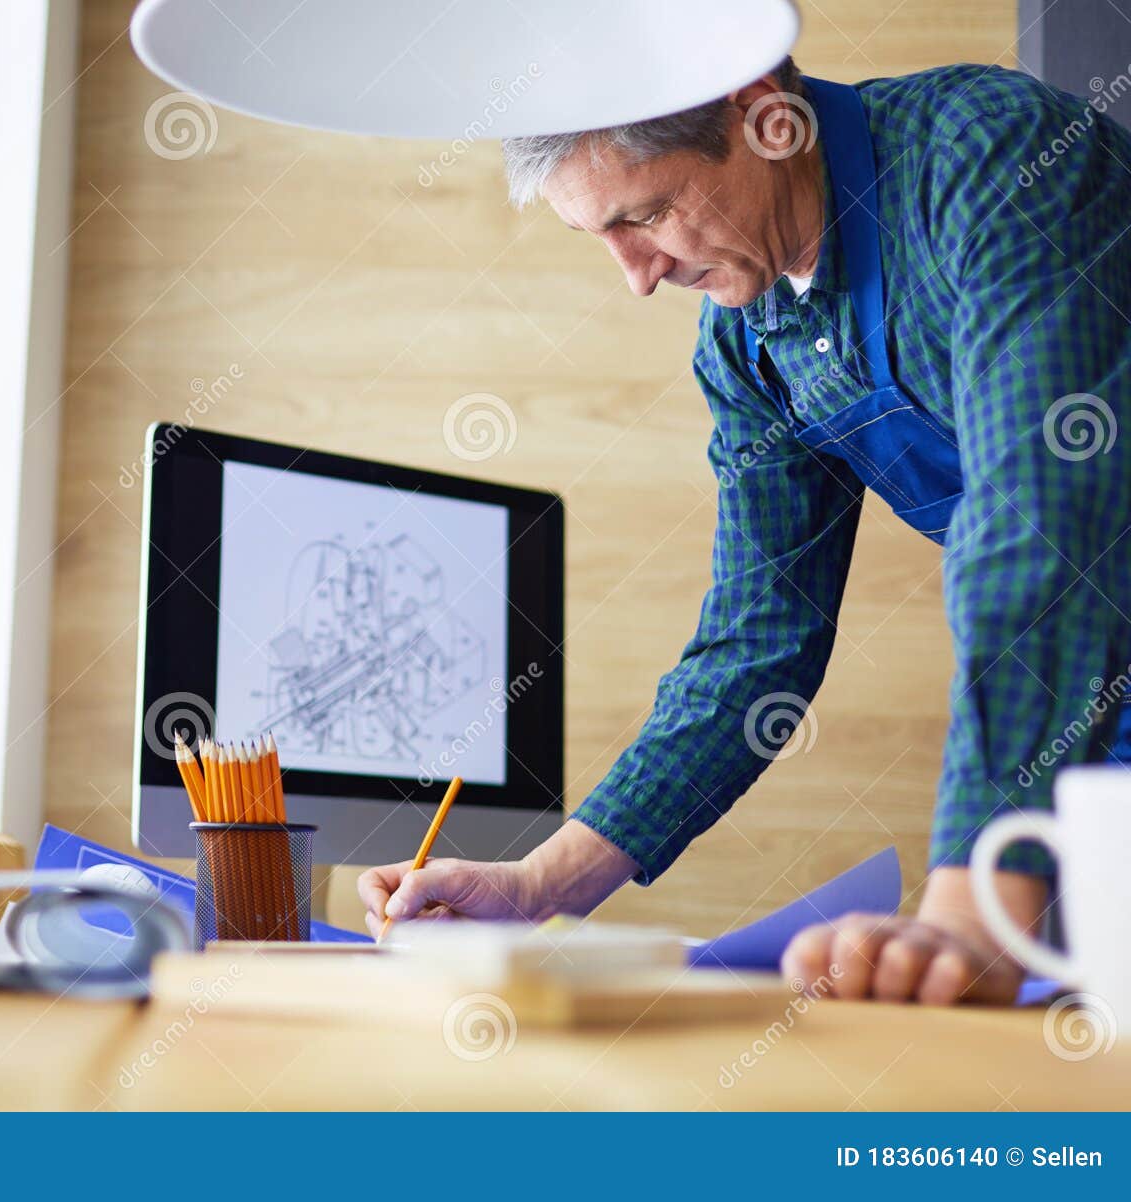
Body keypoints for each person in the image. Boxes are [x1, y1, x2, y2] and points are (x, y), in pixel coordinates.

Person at [358, 61, 1131, 1004]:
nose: (638, 278)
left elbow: (1042, 523)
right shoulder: (746, 343)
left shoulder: (991, 156)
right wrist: (538, 888)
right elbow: (756, 643)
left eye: (647, 215)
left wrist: (970, 914)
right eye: (599, 238)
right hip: (1091, 742)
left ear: (764, 115)